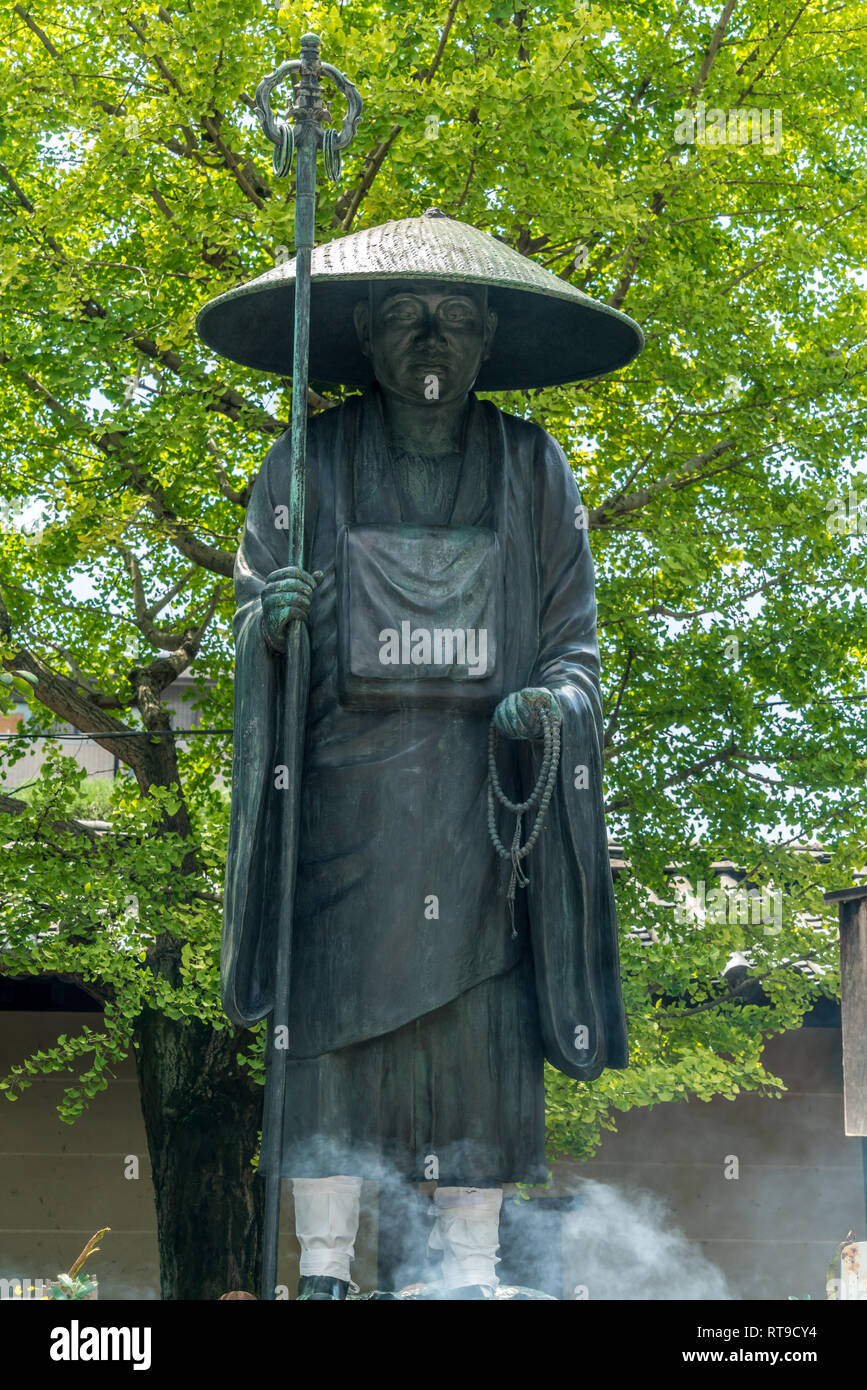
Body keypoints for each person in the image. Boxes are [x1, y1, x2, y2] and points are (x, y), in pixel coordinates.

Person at [197, 209, 643, 1299]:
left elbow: (578, 654)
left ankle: (467, 1270)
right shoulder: (308, 460)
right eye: (403, 316)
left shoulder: (530, 467)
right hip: (342, 823)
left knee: (476, 1059)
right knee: (332, 1057)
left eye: (452, 318)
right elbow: (252, 631)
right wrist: (272, 628)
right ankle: (323, 1269)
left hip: (481, 828)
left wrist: (550, 708)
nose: (430, 338)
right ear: (363, 336)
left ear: (487, 336)